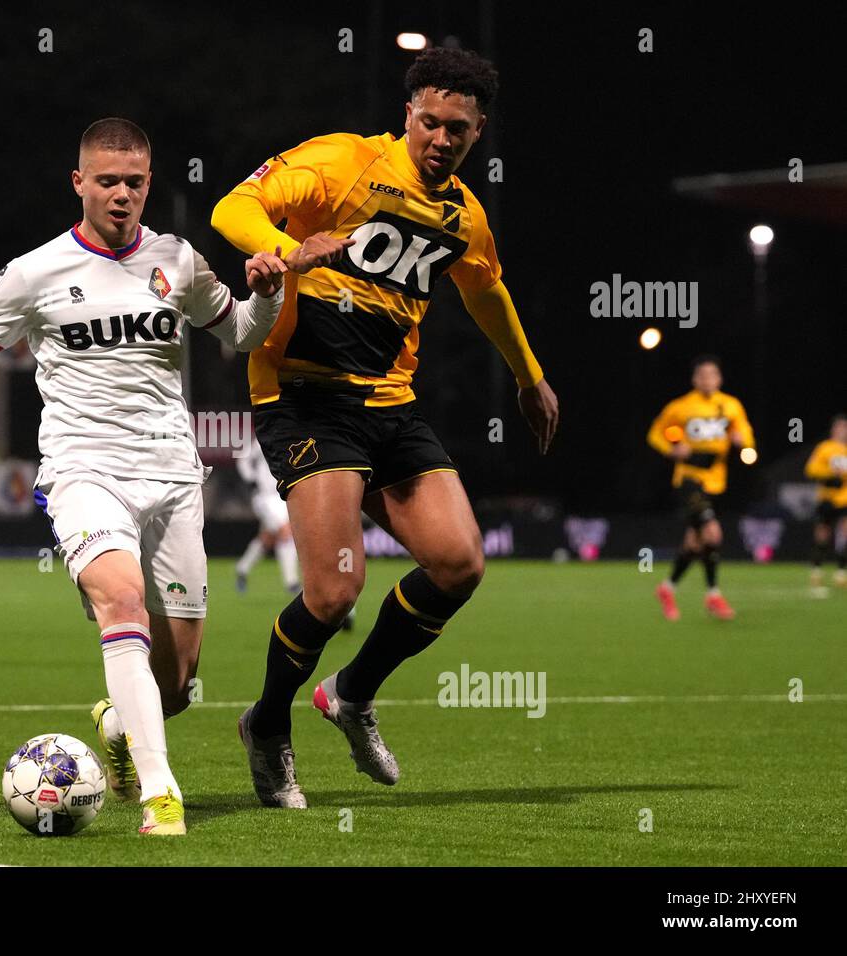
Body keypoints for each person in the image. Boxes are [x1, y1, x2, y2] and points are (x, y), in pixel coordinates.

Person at [0, 118, 286, 835]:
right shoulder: (33, 273)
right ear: (78, 182)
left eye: (135, 182)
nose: (122, 194)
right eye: (106, 180)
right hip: (83, 470)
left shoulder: (180, 260)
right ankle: (161, 792)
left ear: (148, 184)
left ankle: (121, 722)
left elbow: (240, 335)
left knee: (178, 682)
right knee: (122, 602)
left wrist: (266, 294)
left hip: (172, 476)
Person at [211, 48, 558, 807]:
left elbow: (487, 292)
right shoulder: (342, 162)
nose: (441, 138)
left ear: (478, 132)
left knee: (460, 564)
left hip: (389, 403)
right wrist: (280, 249)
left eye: (457, 130)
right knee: (334, 593)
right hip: (302, 396)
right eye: (429, 122)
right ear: (408, 113)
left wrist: (529, 376)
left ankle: (351, 693)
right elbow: (231, 208)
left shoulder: (463, 213)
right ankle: (267, 725)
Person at [647, 355, 756, 621]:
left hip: (716, 482)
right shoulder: (681, 407)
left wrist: (744, 443)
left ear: (719, 379)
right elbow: (656, 433)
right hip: (689, 480)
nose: (707, 379)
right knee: (712, 534)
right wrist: (672, 449)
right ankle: (713, 595)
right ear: (695, 379)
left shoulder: (731, 406)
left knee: (694, 543)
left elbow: (746, 437)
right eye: (702, 375)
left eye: (712, 375)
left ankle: (666, 588)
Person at [234, 435, 300, 595]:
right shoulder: (264, 439)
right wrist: (252, 480)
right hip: (265, 497)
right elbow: (242, 460)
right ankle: (292, 583)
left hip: (282, 497)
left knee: (267, 538)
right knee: (286, 533)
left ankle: (242, 569)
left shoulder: (294, 439)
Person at [804, 414, 847, 590]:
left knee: (845, 534)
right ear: (833, 429)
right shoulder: (824, 448)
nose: (843, 430)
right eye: (840, 427)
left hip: (844, 499)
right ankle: (816, 570)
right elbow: (811, 469)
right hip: (827, 499)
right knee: (822, 536)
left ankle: (841, 572)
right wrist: (830, 474)